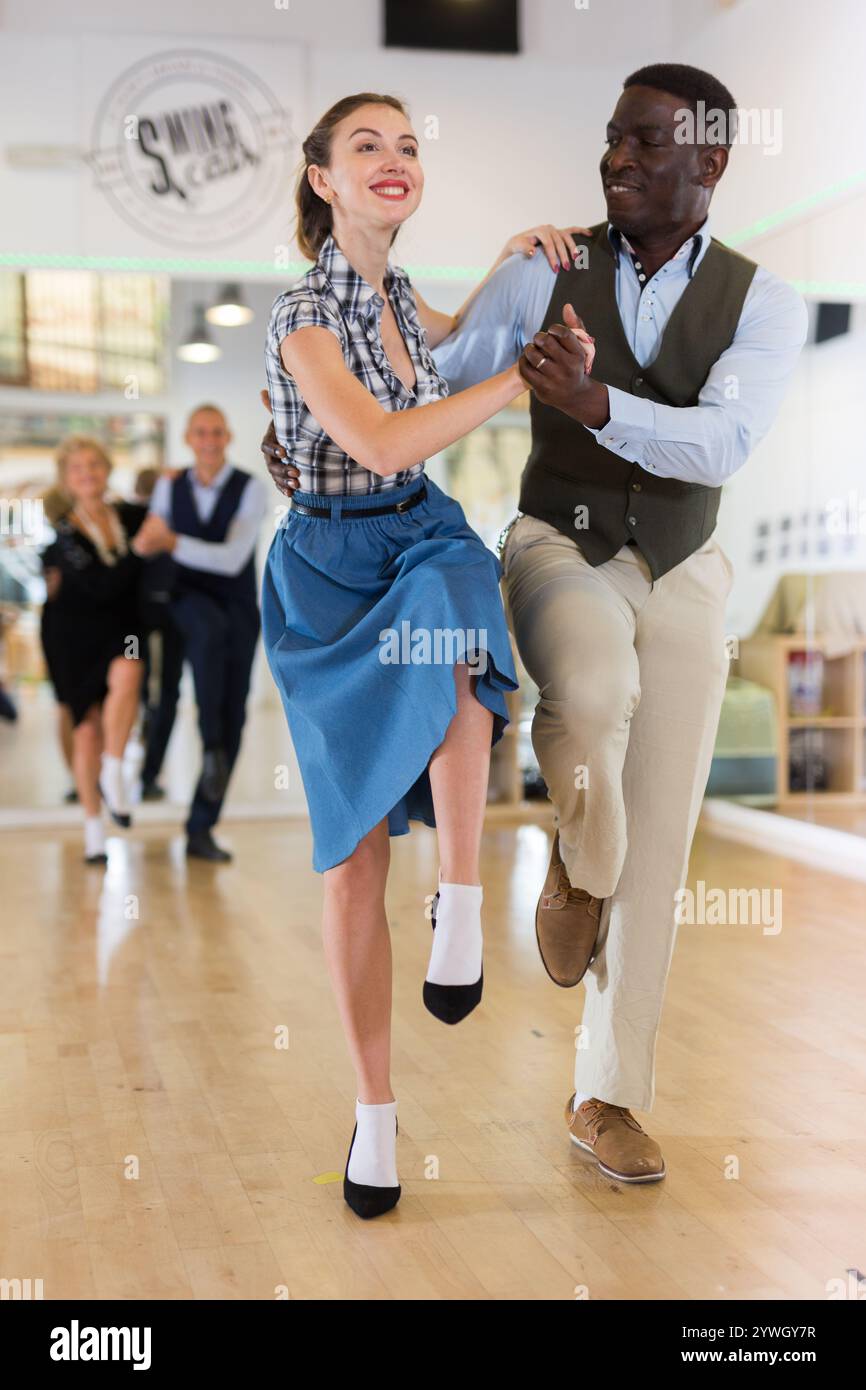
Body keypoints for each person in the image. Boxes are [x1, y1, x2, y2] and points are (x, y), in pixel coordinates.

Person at [265, 66, 807, 1188]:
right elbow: (424, 396)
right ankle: (554, 877)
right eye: (609, 139)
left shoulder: (763, 299)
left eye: (644, 143)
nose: (614, 161)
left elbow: (713, 446)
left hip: (662, 553)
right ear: (321, 178)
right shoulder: (530, 267)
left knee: (653, 823)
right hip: (503, 544)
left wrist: (579, 391)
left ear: (709, 161)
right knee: (558, 711)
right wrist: (501, 328)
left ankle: (596, 1081)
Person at [260, 91, 597, 1221]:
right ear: (323, 178)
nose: (393, 159)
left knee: (463, 593)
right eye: (367, 146)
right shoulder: (303, 313)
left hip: (413, 534)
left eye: (407, 145)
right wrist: (522, 383)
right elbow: (384, 433)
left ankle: (459, 904)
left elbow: (441, 354)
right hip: (324, 576)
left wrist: (509, 269)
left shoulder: (399, 294)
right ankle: (372, 1121)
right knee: (353, 860)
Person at [132, 407, 266, 862]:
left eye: (216, 432)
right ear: (189, 438)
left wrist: (174, 542)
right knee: (207, 634)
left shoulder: (251, 488)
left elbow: (231, 560)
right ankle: (208, 742)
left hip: (241, 609)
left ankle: (201, 826)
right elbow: (147, 543)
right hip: (188, 603)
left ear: (227, 436)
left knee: (237, 715)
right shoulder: (169, 485)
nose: (209, 440)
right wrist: (163, 543)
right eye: (200, 432)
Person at [39, 437, 147, 863]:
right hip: (72, 635)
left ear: (106, 469)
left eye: (94, 464)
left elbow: (164, 512)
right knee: (86, 728)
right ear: (67, 479)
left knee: (131, 670)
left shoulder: (128, 515)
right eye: (77, 468)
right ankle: (92, 829)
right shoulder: (65, 533)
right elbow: (101, 586)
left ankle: (115, 769)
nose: (87, 473)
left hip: (123, 630)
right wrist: (138, 552)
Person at [133, 467, 185, 801]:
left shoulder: (181, 518)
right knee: (135, 683)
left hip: (173, 614)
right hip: (134, 622)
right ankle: (145, 720)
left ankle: (150, 771)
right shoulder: (132, 518)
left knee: (166, 692)